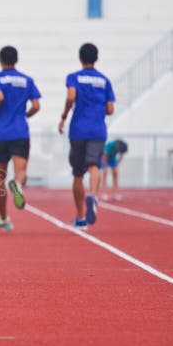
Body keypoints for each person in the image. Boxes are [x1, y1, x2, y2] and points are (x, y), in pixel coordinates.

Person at [0, 46, 41, 231]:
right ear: (16, 60)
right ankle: (17, 184)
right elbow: (36, 105)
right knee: (20, 172)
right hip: (20, 132)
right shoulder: (27, 80)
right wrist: (25, 116)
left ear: (1, 60)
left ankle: (4, 217)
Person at [58, 43, 115, 229]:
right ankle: (93, 195)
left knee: (77, 174)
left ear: (80, 58)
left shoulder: (73, 77)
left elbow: (71, 97)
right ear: (96, 58)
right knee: (94, 166)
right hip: (98, 130)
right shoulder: (105, 81)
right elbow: (110, 109)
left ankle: (81, 217)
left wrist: (64, 115)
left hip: (78, 130)